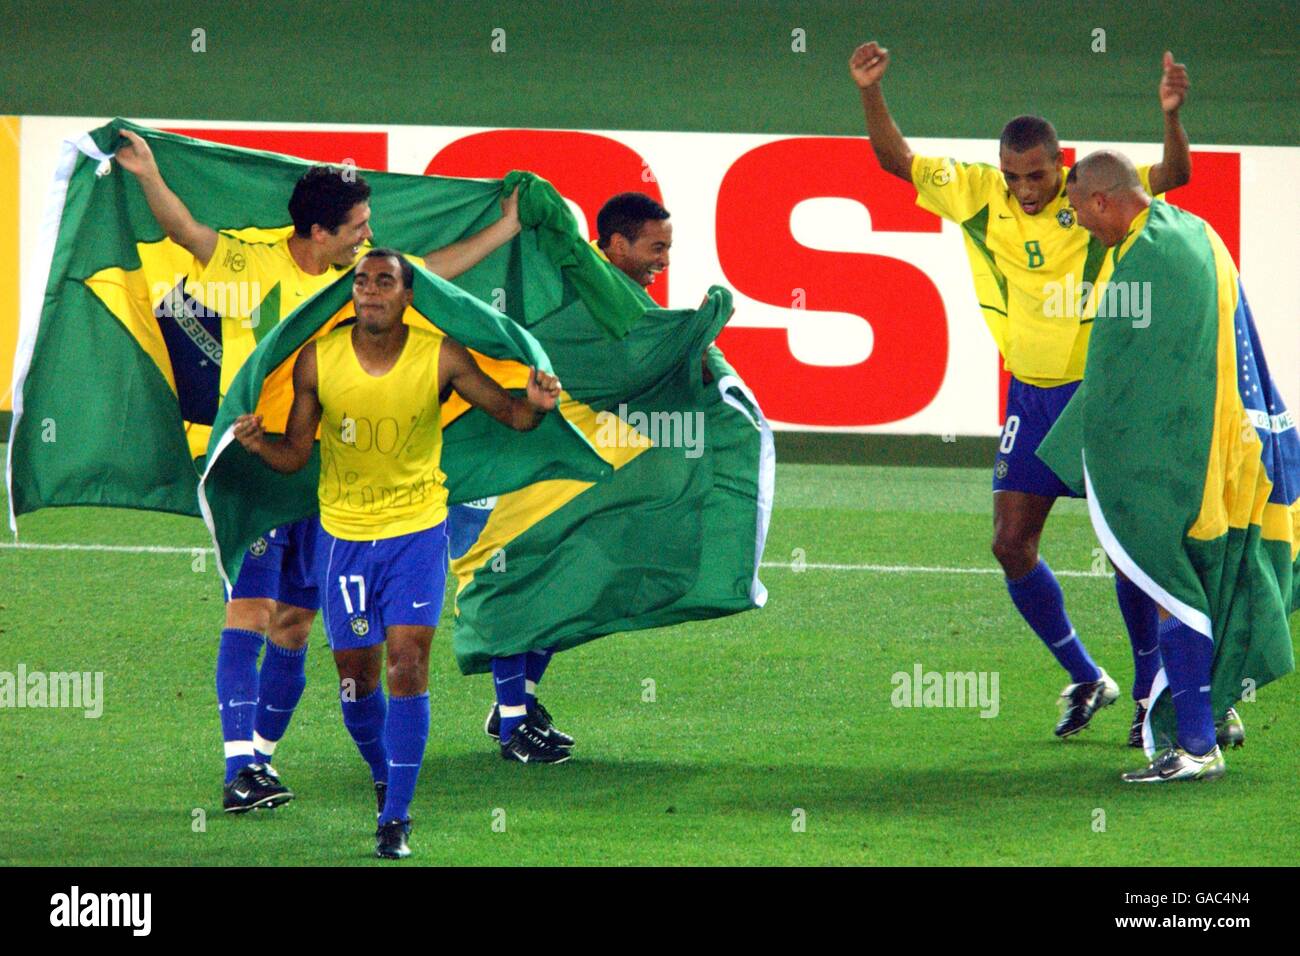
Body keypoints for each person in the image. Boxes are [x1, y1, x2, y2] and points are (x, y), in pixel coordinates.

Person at [114, 130, 522, 811]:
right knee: (250, 608)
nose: (368, 239)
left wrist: (506, 227)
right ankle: (237, 764)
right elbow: (186, 230)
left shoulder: (358, 283)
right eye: (357, 229)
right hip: (258, 461)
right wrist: (150, 173)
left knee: (297, 625)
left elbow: (435, 271)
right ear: (318, 230)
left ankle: (262, 763)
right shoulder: (251, 263)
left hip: (322, 475)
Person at [848, 42, 1209, 744]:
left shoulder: (1093, 194)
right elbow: (897, 161)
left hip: (1099, 397)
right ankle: (1085, 675)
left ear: (1060, 163)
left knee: (1128, 549)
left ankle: (1145, 695)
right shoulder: (980, 194)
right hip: (1029, 395)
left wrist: (1170, 115)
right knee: (1011, 543)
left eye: (1037, 175)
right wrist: (870, 92)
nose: (1025, 189)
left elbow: (1179, 174)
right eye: (1014, 176)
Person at [232, 249, 562, 855]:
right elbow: (296, 456)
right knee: (356, 682)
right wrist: (259, 445)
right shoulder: (318, 359)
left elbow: (511, 415)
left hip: (416, 532)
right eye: (361, 282)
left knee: (406, 663)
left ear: (409, 295)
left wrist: (536, 407)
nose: (371, 291)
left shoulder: (440, 357)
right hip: (345, 541)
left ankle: (397, 817)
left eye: (385, 281)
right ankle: (385, 776)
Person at [1059, 150, 1296, 781]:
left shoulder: (1149, 258)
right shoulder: (1188, 228)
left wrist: (1120, 464)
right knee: (1174, 582)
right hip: (1233, 443)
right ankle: (1213, 718)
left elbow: (1129, 378)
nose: (1076, 220)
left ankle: (1195, 747)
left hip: (1190, 461)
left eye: (1078, 208)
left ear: (1104, 202)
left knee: (1170, 580)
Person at [468, 191, 679, 762]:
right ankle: (513, 725)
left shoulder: (617, 295)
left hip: (581, 467)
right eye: (655, 247)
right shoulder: (578, 288)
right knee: (515, 581)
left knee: (565, 583)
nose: (664, 259)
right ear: (615, 245)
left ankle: (519, 704)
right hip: (534, 459)